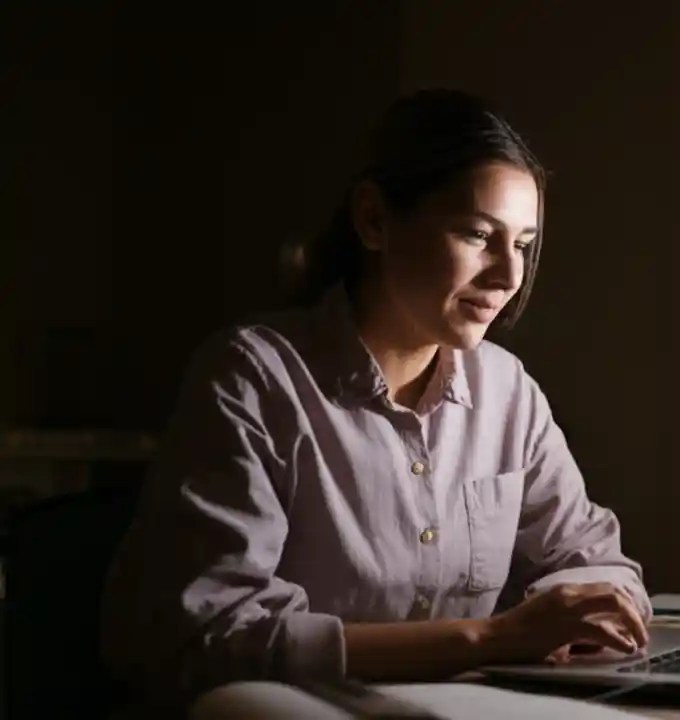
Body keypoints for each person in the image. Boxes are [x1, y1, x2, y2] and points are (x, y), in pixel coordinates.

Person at [100, 88, 651, 710]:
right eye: (478, 234)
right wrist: (488, 639)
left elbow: (593, 560)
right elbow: (210, 634)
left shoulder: (508, 393)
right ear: (373, 220)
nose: (508, 275)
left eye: (522, 245)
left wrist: (588, 609)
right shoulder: (254, 380)